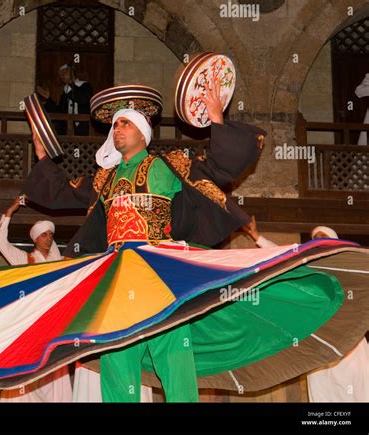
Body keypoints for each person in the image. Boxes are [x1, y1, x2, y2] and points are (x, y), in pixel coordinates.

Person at [24, 79, 265, 401]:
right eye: (114, 125)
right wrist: (43, 158)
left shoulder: (168, 165)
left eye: (124, 123)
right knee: (117, 353)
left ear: (142, 130)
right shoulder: (104, 178)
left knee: (172, 351)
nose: (116, 129)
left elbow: (220, 169)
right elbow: (60, 193)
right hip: (117, 272)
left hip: (160, 269)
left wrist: (217, 120)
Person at [242, 218, 369, 402]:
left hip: (349, 335)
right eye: (314, 240)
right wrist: (257, 237)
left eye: (323, 239)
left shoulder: (347, 267)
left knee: (359, 381)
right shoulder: (309, 270)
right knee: (323, 385)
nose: (318, 243)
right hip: (320, 337)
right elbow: (282, 257)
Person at [0, 196, 72, 402]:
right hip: (32, 321)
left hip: (55, 323)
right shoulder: (24, 260)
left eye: (50, 235)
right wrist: (9, 212)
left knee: (56, 370)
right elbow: (0, 242)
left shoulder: (59, 263)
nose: (48, 238)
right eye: (44, 235)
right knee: (28, 369)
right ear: (35, 239)